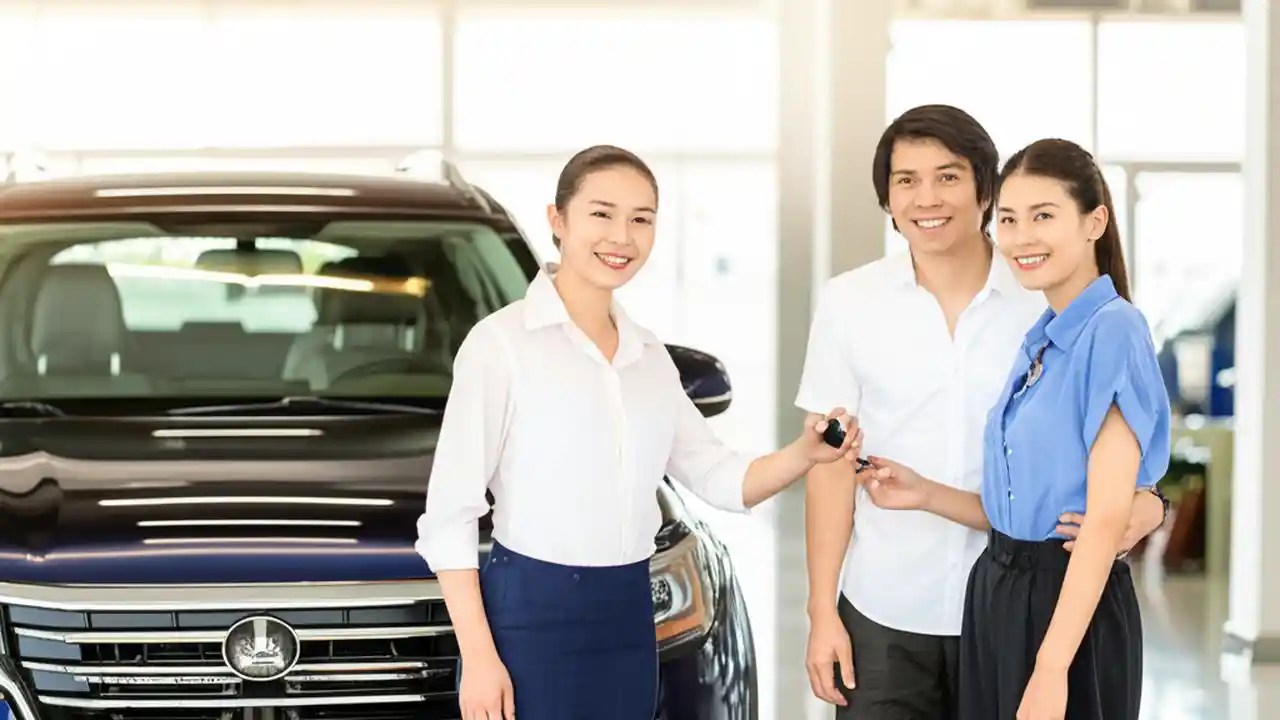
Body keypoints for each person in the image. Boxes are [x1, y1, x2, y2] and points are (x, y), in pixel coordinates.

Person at [415, 144, 861, 720]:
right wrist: (478, 659)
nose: (621, 237)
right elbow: (449, 514)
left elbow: (719, 475)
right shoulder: (500, 345)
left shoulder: (649, 357)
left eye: (641, 219)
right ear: (558, 220)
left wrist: (806, 453)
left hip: (630, 611)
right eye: (601, 214)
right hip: (530, 612)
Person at [796, 105, 1170, 719]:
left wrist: (1148, 504)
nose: (926, 198)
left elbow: (1117, 467)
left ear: (982, 187)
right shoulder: (850, 303)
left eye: (947, 176)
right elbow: (829, 463)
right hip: (890, 604)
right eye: (905, 180)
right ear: (886, 198)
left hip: (1018, 611)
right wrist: (821, 611)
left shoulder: (1044, 299)